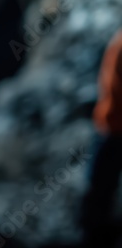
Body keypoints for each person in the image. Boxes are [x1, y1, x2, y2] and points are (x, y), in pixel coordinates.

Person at [80, 29, 122, 247]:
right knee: (100, 191)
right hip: (112, 128)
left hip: (110, 126)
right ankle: (96, 234)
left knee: (99, 189)